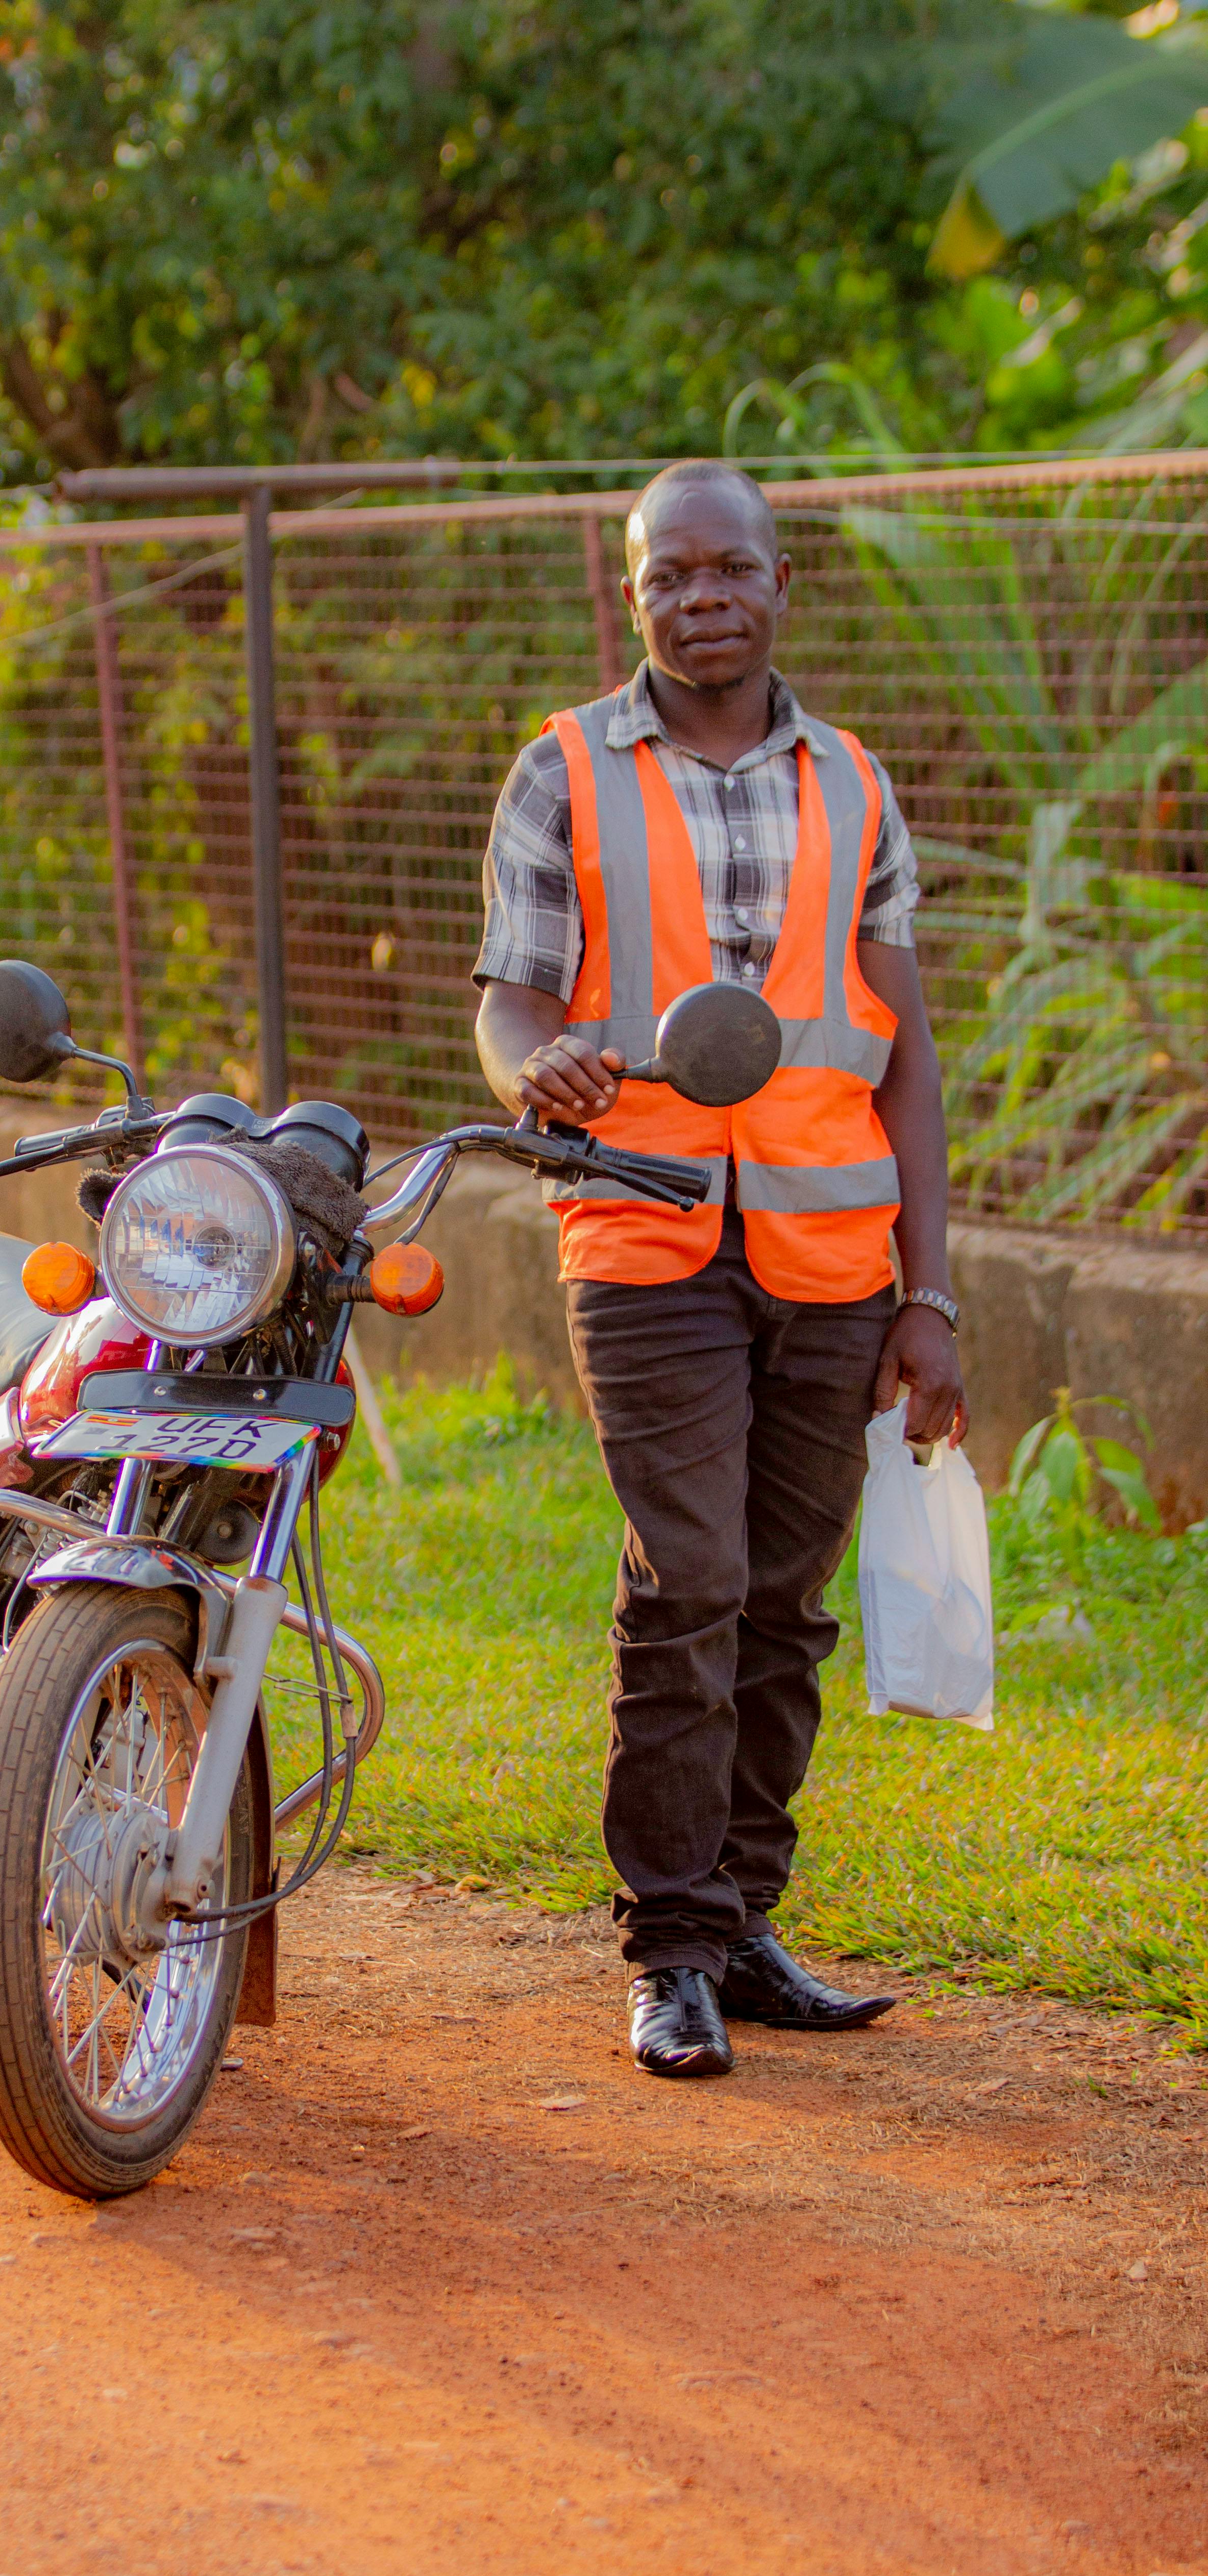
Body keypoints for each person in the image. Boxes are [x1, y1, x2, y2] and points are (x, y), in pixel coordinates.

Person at [474, 460, 967, 2080]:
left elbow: (903, 1056)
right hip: (643, 1232)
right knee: (686, 1582)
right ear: (634, 595)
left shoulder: (859, 786)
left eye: (729, 570)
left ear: (777, 581)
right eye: (668, 575)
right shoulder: (563, 772)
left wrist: (932, 1295)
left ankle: (744, 1920)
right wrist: (527, 1073)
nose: (703, 598)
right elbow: (511, 1003)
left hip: (832, 1249)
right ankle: (670, 1949)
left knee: (782, 1605)